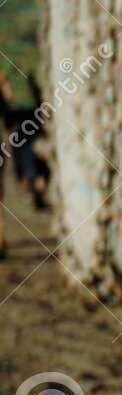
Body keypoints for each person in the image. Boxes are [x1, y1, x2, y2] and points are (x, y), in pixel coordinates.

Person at [0, 67, 51, 259]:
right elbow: (7, 105)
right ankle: (1, 236)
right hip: (27, 122)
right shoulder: (4, 81)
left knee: (24, 156)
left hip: (20, 124)